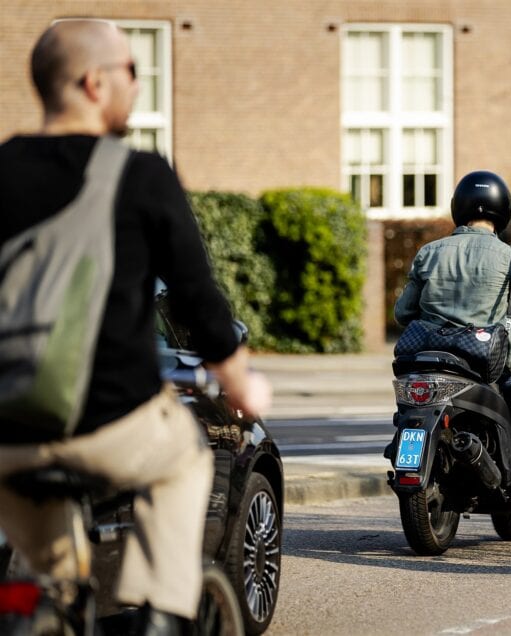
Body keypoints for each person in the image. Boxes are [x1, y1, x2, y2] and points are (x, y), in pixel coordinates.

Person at [0, 20, 271, 633]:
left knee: (47, 583)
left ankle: (45, 606)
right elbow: (200, 305)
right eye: (130, 72)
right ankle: (162, 615)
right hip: (110, 422)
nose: (137, 86)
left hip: (8, 432)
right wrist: (241, 383)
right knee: (186, 458)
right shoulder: (141, 174)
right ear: (94, 83)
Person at [394, 170, 511, 477]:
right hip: (485, 356)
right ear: (503, 210)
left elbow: (403, 312)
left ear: (457, 207)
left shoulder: (429, 253)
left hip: (426, 354)